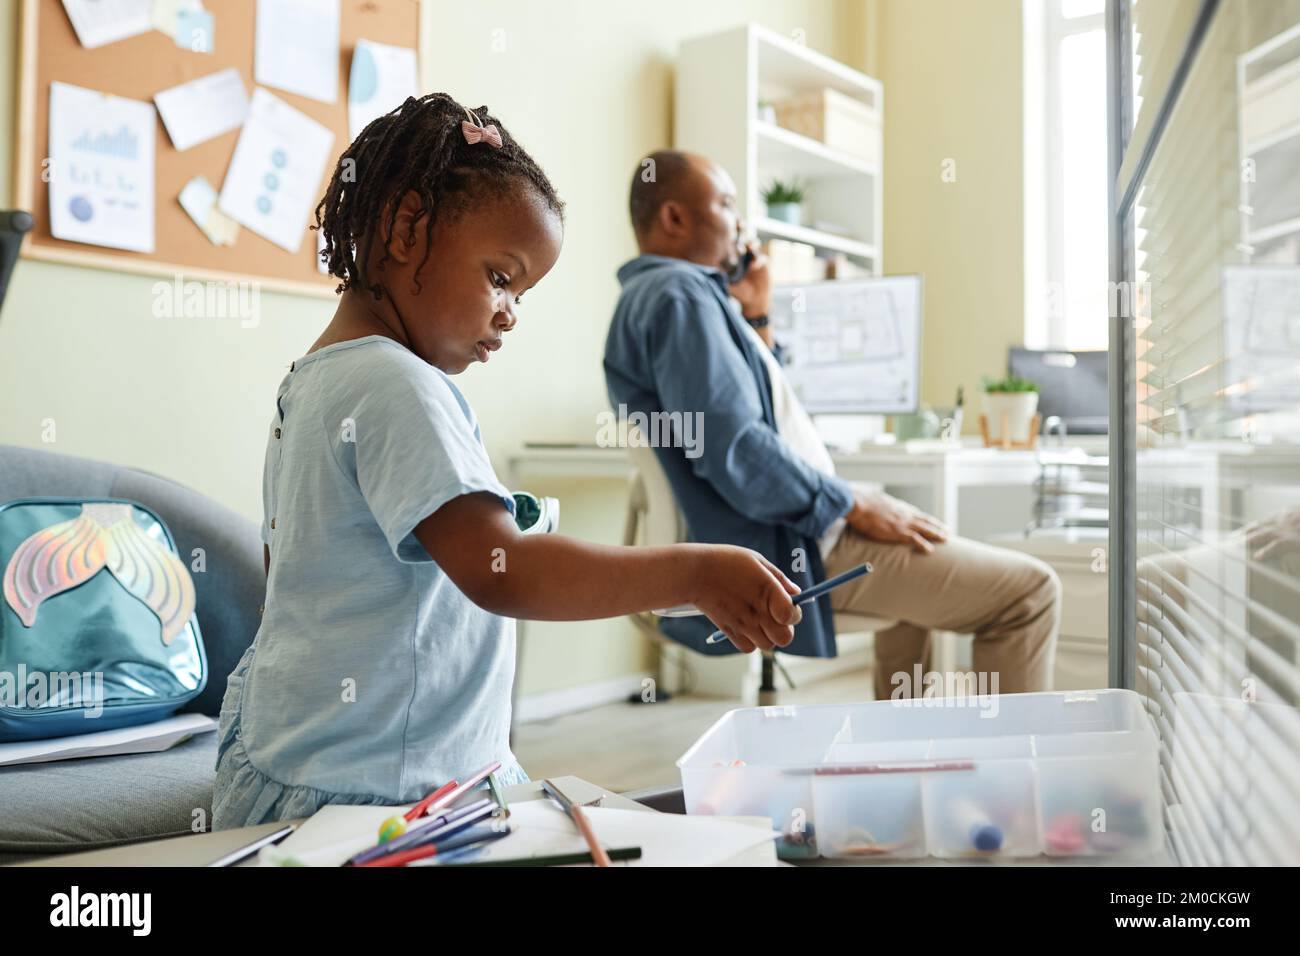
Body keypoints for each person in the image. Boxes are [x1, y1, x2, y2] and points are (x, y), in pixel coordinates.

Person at [212, 99, 805, 830]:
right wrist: (694, 571)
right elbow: (507, 569)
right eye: (500, 276)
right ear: (405, 230)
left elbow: (292, 573)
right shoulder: (398, 385)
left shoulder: (311, 380)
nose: (510, 313)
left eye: (521, 293)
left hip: (295, 763)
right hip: (380, 797)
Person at [603, 149, 1061, 701]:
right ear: (675, 218)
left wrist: (758, 313)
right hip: (791, 547)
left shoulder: (667, 298)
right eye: (726, 204)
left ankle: (896, 761)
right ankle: (1013, 780)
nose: (741, 223)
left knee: (915, 552)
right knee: (1030, 593)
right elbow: (736, 451)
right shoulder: (680, 295)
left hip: (782, 533)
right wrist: (854, 503)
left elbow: (752, 415)